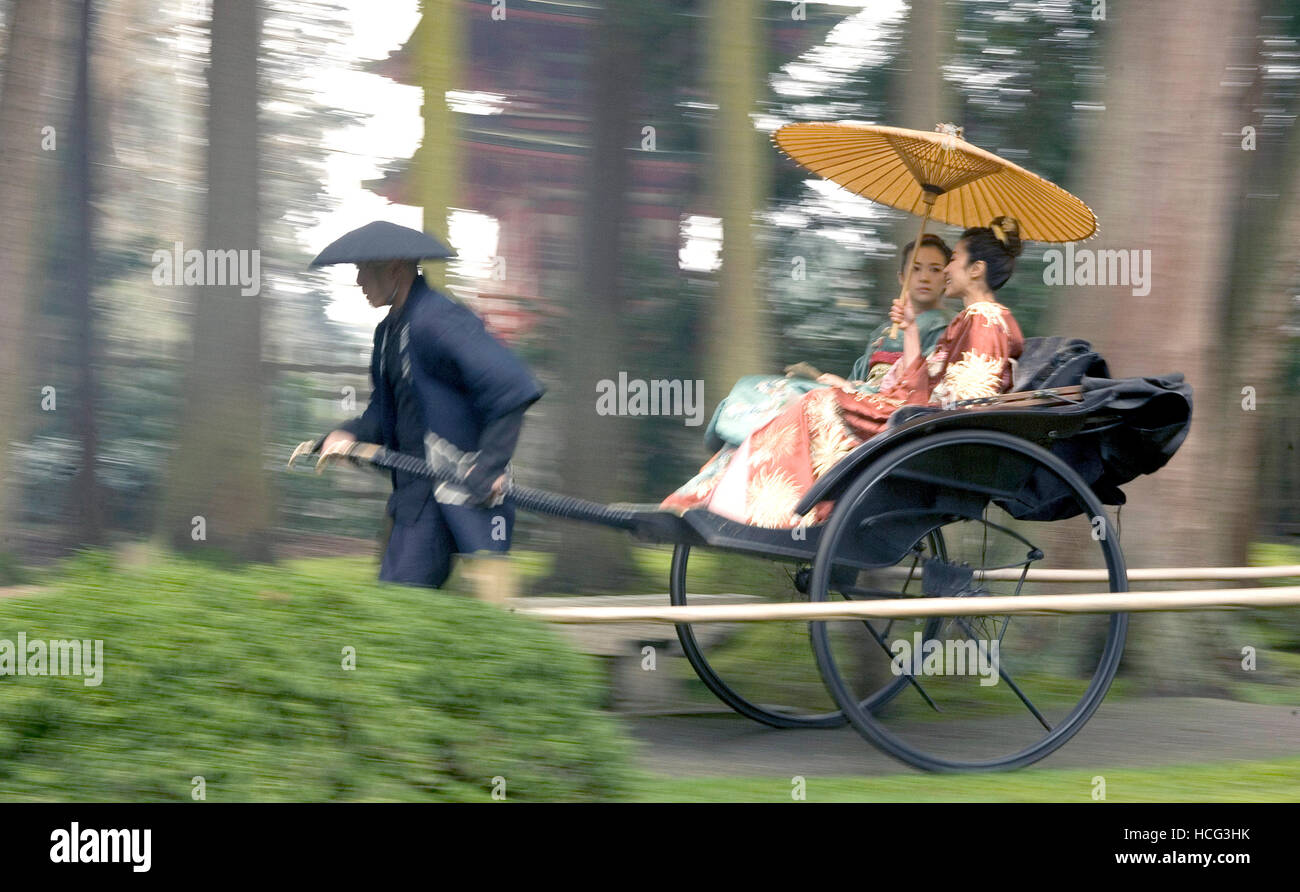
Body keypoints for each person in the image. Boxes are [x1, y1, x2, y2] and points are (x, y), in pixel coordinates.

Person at [662, 216, 1025, 529]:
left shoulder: (985, 319)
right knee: (814, 399)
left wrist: (891, 396)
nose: (945, 270)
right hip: (915, 411)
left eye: (953, 259)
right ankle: (727, 497)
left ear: (976, 270)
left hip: (926, 425)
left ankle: (770, 508)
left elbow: (966, 400)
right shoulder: (972, 318)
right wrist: (911, 329)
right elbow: (923, 380)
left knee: (818, 403)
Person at [314, 222, 544, 588]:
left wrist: (490, 465)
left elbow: (511, 386)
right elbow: (384, 414)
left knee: (408, 602)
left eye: (364, 269)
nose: (358, 281)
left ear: (395, 268)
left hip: (458, 488)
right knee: (406, 601)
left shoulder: (438, 318)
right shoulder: (388, 333)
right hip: (415, 494)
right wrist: (347, 434)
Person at [702, 235, 954, 451]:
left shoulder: (945, 326)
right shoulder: (883, 331)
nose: (924, 277)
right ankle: (738, 439)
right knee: (760, 385)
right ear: (901, 277)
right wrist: (826, 378)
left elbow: (921, 384)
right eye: (916, 269)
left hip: (888, 409)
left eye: (935, 270)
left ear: (946, 278)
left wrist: (847, 387)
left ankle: (751, 439)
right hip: (862, 397)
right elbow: (859, 378)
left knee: (797, 395)